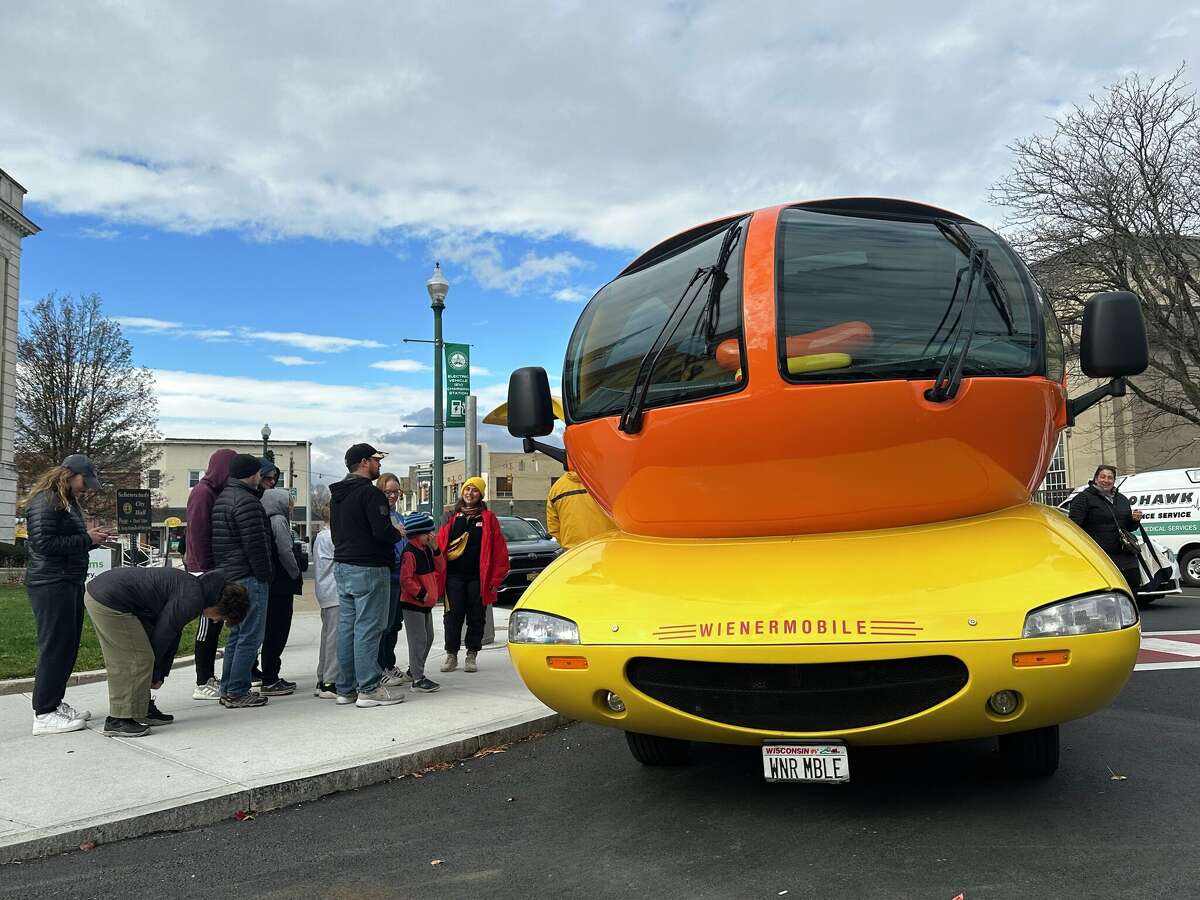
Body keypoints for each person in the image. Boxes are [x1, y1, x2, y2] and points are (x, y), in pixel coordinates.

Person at [84, 567, 248, 737]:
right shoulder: (193, 598)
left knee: (142, 654)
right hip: (108, 600)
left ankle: (141, 708)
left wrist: (161, 674)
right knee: (136, 658)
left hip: (113, 595)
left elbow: (172, 634)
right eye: (222, 617)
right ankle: (118, 720)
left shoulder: (196, 591)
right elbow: (163, 636)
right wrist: (155, 673)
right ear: (220, 605)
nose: (216, 620)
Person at [21, 455, 111, 735]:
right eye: (84, 482)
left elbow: (63, 542)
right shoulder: (46, 502)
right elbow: (45, 544)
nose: (86, 488)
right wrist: (87, 539)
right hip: (50, 583)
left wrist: (91, 540)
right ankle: (44, 713)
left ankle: (54, 703)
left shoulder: (64, 502)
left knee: (67, 645)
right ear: (69, 475)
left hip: (67, 580)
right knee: (55, 646)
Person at [330, 443, 406, 707]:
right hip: (370, 568)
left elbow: (337, 533)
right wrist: (397, 531)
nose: (379, 464)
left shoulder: (337, 494)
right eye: (376, 459)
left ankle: (346, 689)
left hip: (343, 566)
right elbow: (382, 533)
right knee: (368, 629)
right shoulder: (371, 494)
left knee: (348, 628)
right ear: (364, 462)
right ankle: (369, 689)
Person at [211, 453, 274, 708]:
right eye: (259, 473)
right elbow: (256, 546)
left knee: (236, 633)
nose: (261, 477)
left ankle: (228, 686)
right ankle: (237, 690)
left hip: (230, 574)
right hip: (249, 576)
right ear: (251, 474)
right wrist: (265, 575)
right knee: (250, 635)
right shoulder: (247, 501)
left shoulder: (224, 498)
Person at [437, 477, 509, 674]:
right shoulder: (451, 516)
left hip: (478, 577)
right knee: (453, 616)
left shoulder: (488, 518)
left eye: (475, 490)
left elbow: (499, 551)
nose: (470, 493)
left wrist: (495, 579)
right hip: (454, 576)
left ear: (481, 495)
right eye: (467, 489)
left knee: (476, 617)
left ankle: (471, 654)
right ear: (462, 492)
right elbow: (440, 546)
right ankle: (451, 654)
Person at [185, 448, 237, 701]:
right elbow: (197, 534)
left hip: (213, 568)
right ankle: (202, 680)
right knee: (208, 624)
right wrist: (207, 570)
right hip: (203, 568)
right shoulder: (203, 493)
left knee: (216, 624)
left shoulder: (215, 492)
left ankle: (208, 677)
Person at [1068, 464, 1145, 594]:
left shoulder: (1122, 500)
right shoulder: (1083, 498)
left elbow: (1128, 527)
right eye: (1102, 477)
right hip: (1100, 554)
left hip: (1125, 554)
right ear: (1095, 479)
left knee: (1131, 588)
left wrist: (1135, 520)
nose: (1106, 480)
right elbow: (1074, 528)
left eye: (1110, 478)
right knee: (1107, 592)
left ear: (1114, 481)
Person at [259, 487, 301, 696]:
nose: (291, 508)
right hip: (281, 584)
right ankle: (271, 677)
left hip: (270, 583)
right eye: (289, 503)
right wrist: (295, 571)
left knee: (269, 630)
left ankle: (267, 674)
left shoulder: (263, 519)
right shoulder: (278, 521)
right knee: (278, 631)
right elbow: (285, 550)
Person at [399, 512, 445, 692]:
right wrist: (422, 594)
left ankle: (414, 670)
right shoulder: (410, 552)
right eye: (428, 532)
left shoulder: (426, 549)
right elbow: (405, 579)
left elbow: (440, 568)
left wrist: (436, 549)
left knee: (428, 638)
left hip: (426, 604)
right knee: (418, 640)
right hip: (414, 604)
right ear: (419, 533)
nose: (432, 535)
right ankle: (417, 679)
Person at [376, 472, 407, 685]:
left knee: (395, 623)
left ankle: (389, 663)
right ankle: (379, 667)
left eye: (395, 492)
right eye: (387, 491)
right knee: (383, 625)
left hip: (401, 577)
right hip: (386, 574)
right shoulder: (380, 515)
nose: (392, 496)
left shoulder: (399, 516)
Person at [546, 469, 616, 549]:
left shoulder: (557, 488)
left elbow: (554, 529)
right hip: (607, 551)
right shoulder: (611, 482)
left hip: (575, 553)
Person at [311, 522, 339, 698]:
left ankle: (322, 678)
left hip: (326, 592)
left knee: (327, 636)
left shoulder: (321, 536)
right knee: (334, 640)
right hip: (334, 591)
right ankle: (330, 681)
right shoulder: (331, 537)